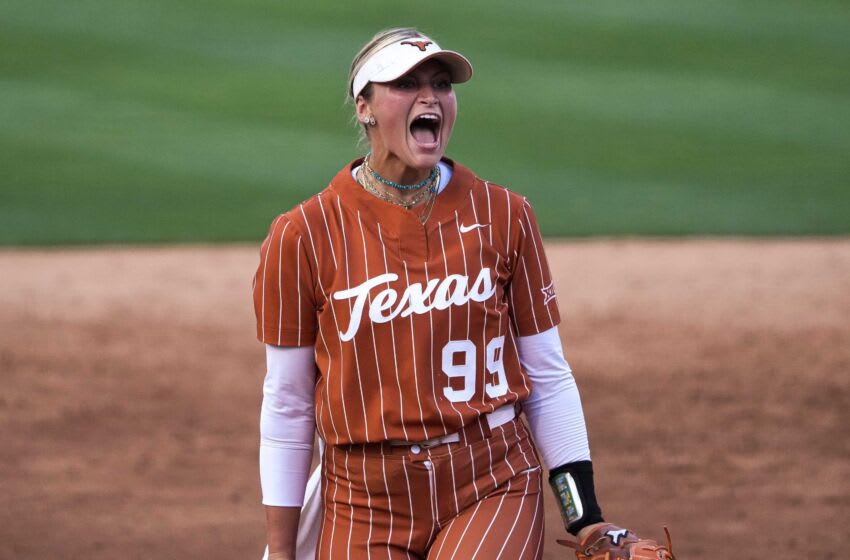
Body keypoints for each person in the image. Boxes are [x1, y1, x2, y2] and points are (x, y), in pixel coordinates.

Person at [253, 27, 674, 560]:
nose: (430, 96)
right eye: (407, 83)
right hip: (363, 496)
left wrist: (584, 517)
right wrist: (281, 550)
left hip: (489, 479)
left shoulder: (504, 215)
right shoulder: (304, 234)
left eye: (441, 83)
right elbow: (289, 404)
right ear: (364, 106)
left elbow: (545, 373)